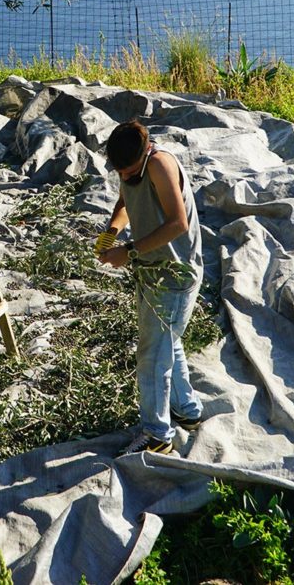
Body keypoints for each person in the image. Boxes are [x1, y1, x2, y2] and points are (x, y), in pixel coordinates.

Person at [97, 119, 206, 456]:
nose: (125, 178)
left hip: (175, 274)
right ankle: (188, 412)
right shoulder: (130, 166)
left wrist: (128, 252)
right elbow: (124, 203)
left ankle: (158, 435)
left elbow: (178, 223)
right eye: (120, 173)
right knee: (167, 342)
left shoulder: (159, 165)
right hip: (151, 271)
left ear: (145, 152)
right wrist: (111, 233)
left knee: (151, 357)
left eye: (129, 172)